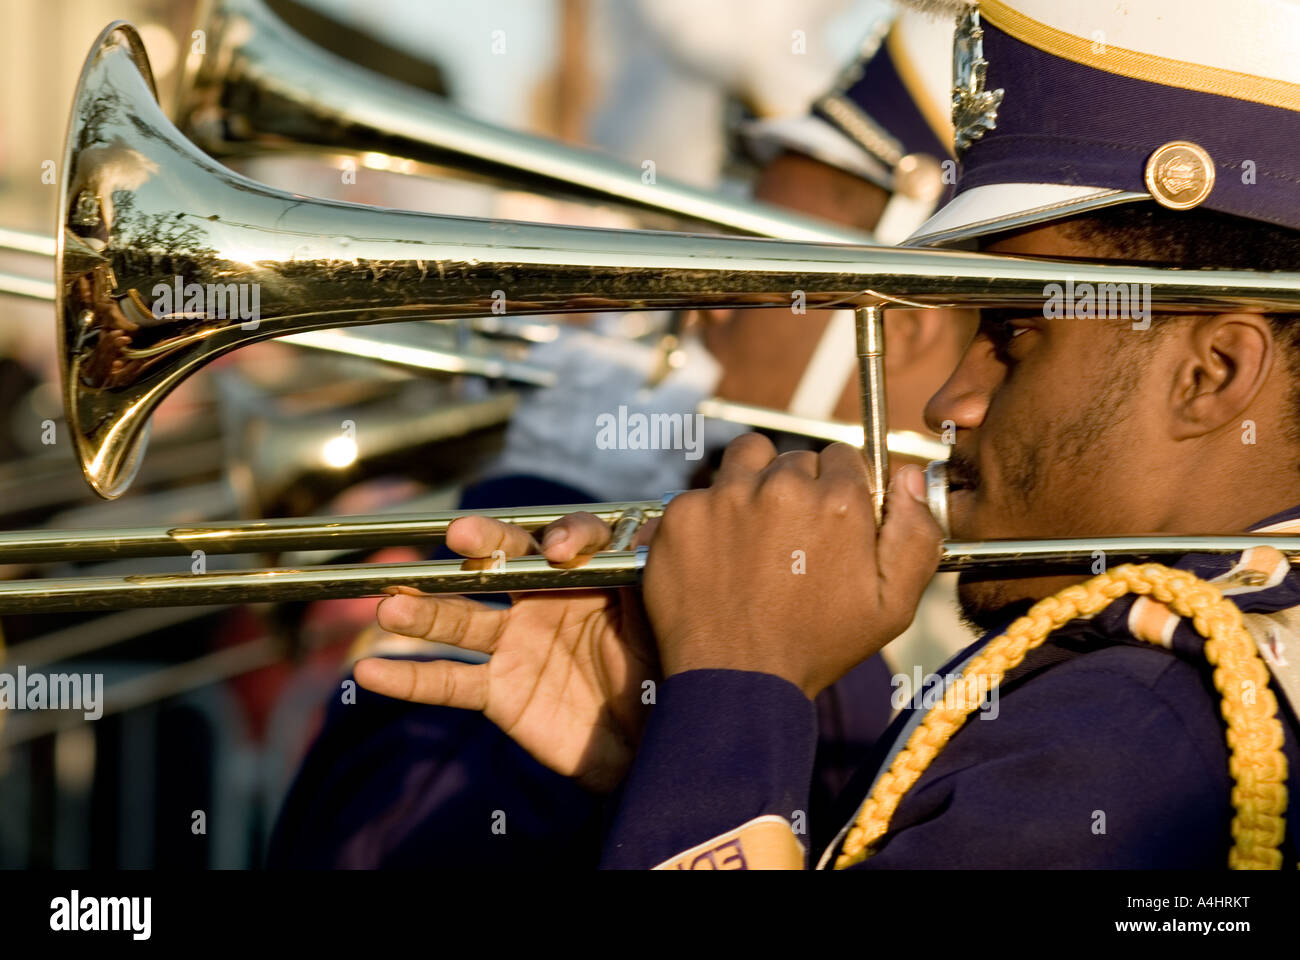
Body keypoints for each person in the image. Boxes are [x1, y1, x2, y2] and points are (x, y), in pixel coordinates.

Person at [353, 0, 1300, 869]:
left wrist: (734, 690)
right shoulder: (1147, 702)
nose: (948, 405)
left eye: (1011, 336)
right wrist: (691, 740)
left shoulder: (1127, 734)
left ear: (1210, 374)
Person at [267, 8, 974, 868]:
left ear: (897, 328)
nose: (712, 300)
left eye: (772, 268)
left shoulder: (851, 618)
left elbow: (373, 843)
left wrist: (539, 496)